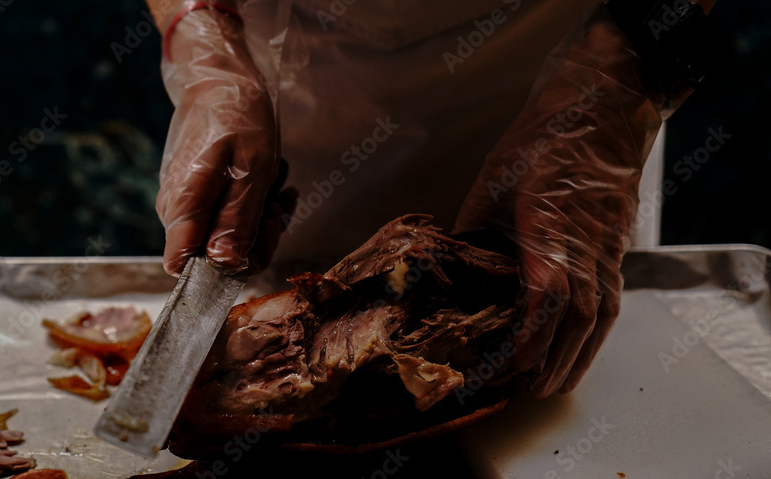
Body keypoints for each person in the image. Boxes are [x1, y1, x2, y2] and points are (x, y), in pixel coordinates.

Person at [144, 0, 718, 396]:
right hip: (302, 95)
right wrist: (203, 47)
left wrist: (611, 93)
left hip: (564, 84)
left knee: (543, 322)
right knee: (302, 352)